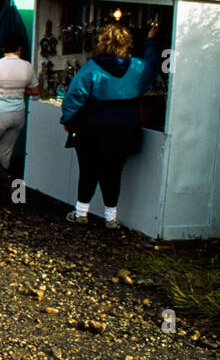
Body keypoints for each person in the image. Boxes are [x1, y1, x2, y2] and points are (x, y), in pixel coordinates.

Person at [61, 22, 162, 229]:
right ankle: (111, 218)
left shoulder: (90, 69)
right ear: (127, 44)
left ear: (102, 43)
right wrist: (151, 40)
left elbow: (73, 97)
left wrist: (68, 121)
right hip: (124, 128)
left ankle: (81, 213)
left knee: (88, 171)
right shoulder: (138, 67)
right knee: (113, 172)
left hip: (91, 128)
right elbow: (153, 65)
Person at [0, 34, 40, 195]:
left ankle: (8, 181)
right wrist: (19, 90)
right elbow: (36, 90)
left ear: (3, 48)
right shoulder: (27, 66)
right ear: (19, 49)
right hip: (18, 114)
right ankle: (0, 193)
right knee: (5, 152)